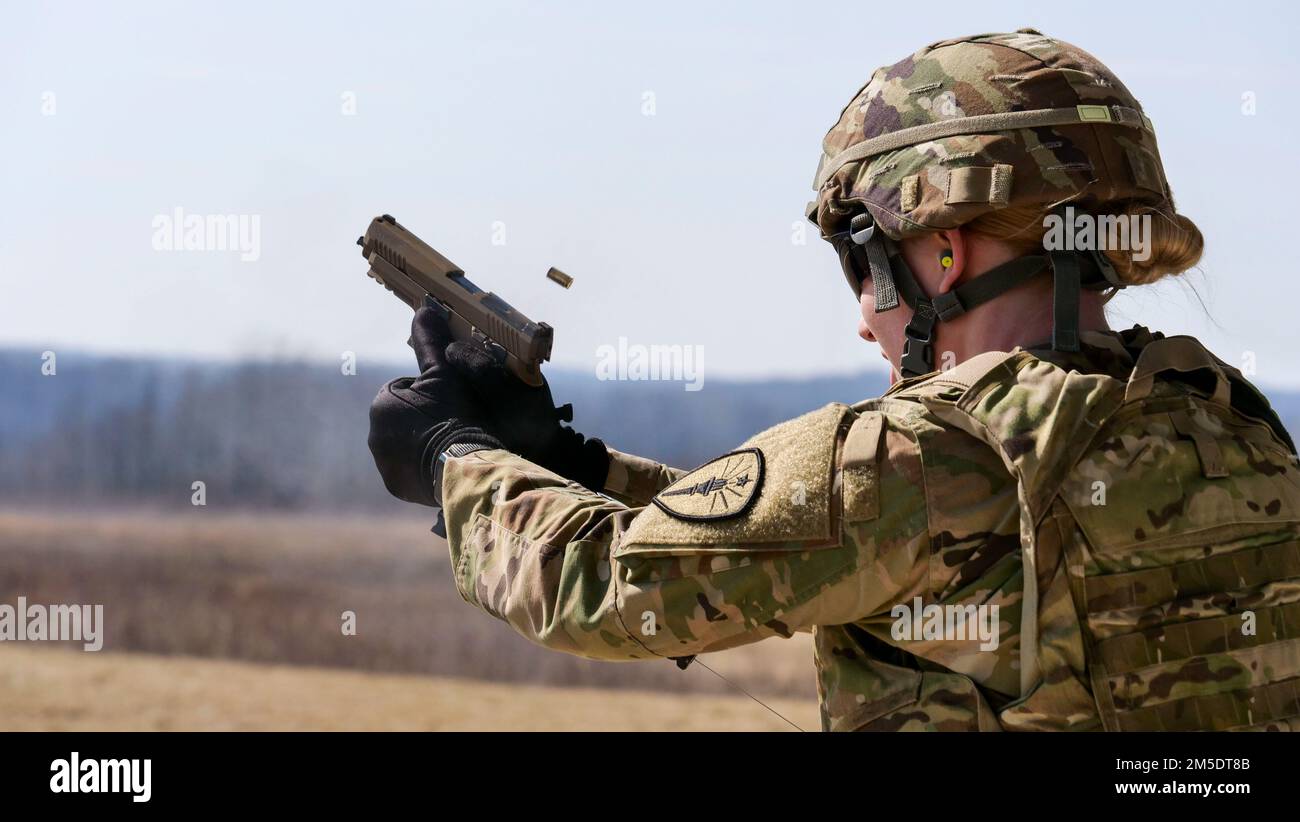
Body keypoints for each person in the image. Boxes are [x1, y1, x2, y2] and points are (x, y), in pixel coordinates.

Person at [368, 29, 1300, 731]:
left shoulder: (923, 454)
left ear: (942, 251)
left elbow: (604, 588)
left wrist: (456, 460)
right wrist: (577, 464)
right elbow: (790, 544)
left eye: (864, 264)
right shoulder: (1234, 429)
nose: (862, 314)